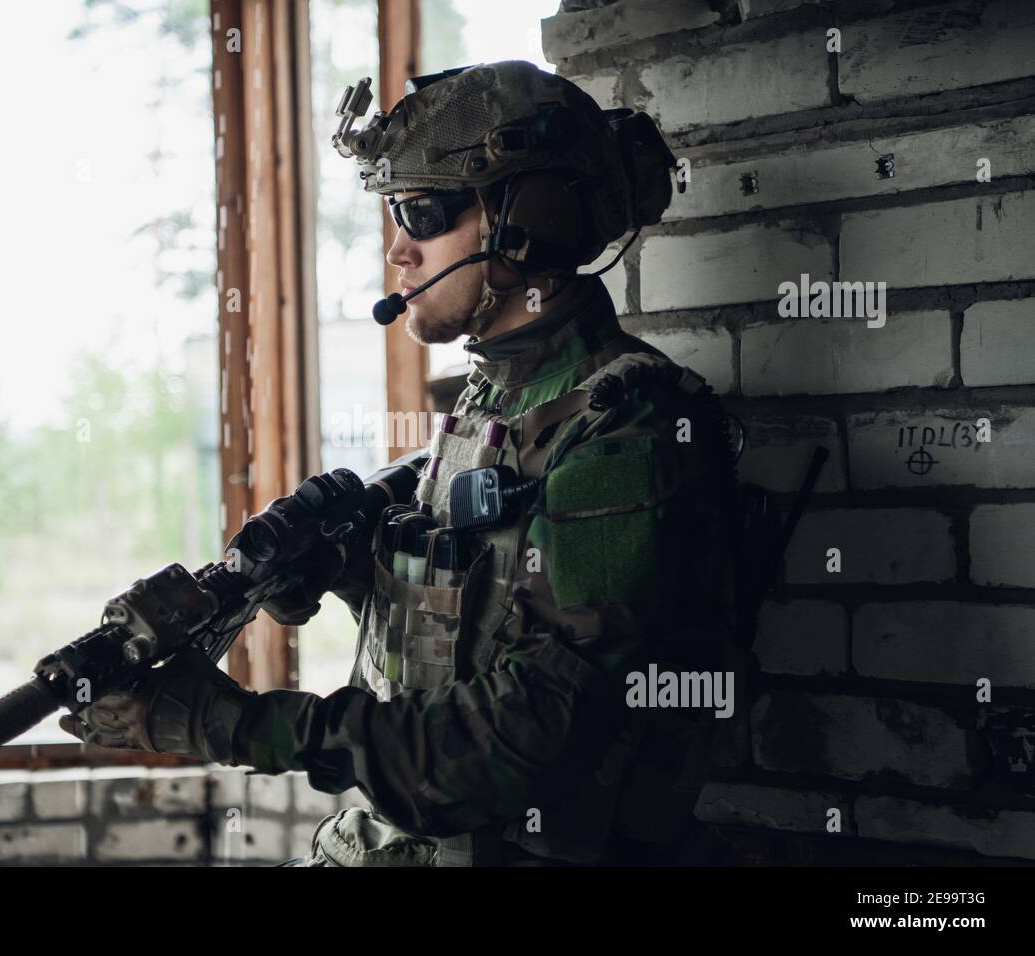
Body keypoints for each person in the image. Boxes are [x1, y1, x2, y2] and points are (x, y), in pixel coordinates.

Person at [61, 60, 742, 866]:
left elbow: (520, 743)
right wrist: (348, 565)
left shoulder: (631, 432)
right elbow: (473, 627)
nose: (397, 250)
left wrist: (235, 724)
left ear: (530, 221)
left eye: (421, 213)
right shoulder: (495, 403)